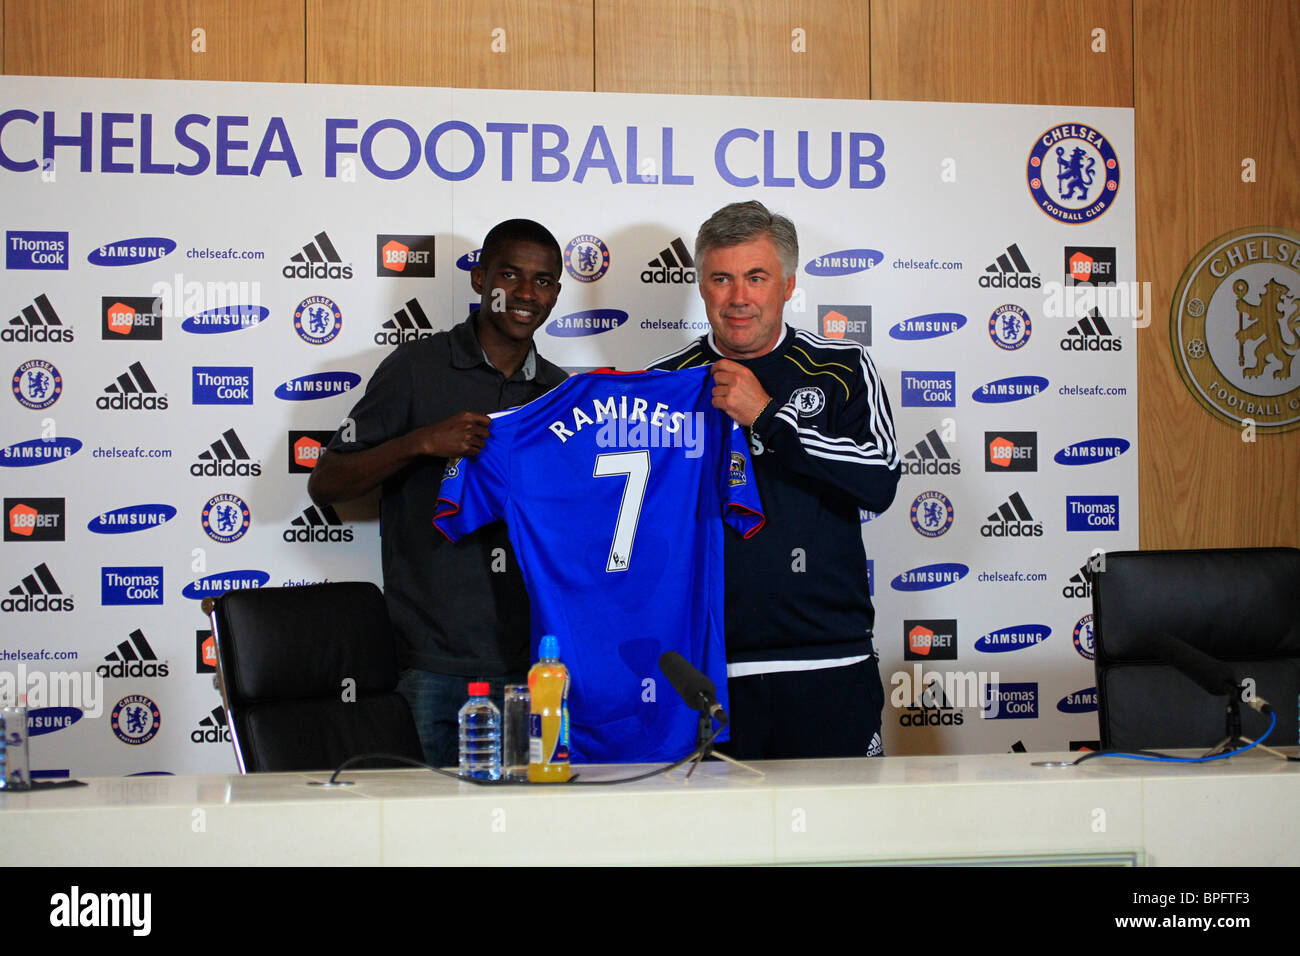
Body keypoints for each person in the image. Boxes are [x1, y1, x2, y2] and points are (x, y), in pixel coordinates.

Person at [308, 219, 567, 768]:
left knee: (524, 837)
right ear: (479, 280)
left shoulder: (560, 394)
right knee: (424, 840)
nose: (525, 293)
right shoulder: (415, 370)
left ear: (556, 295)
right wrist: (421, 442)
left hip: (533, 662)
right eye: (511, 275)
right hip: (430, 662)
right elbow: (327, 483)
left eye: (543, 281)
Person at [650, 200, 900, 759]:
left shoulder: (842, 368)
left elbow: (880, 479)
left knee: (840, 843)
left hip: (828, 663)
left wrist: (767, 418)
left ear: (787, 285)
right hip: (704, 668)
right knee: (713, 847)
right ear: (701, 285)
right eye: (721, 278)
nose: (739, 298)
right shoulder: (664, 382)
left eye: (756, 277)